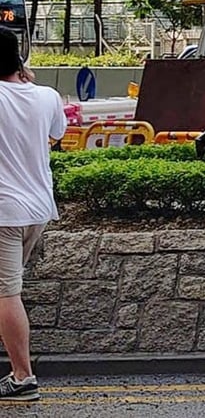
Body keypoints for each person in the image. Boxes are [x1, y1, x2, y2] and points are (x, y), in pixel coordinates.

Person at [0, 29, 66, 401]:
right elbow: (56, 133)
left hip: (4, 212)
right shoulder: (47, 96)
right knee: (5, 290)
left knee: (7, 293)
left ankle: (22, 377)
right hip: (37, 209)